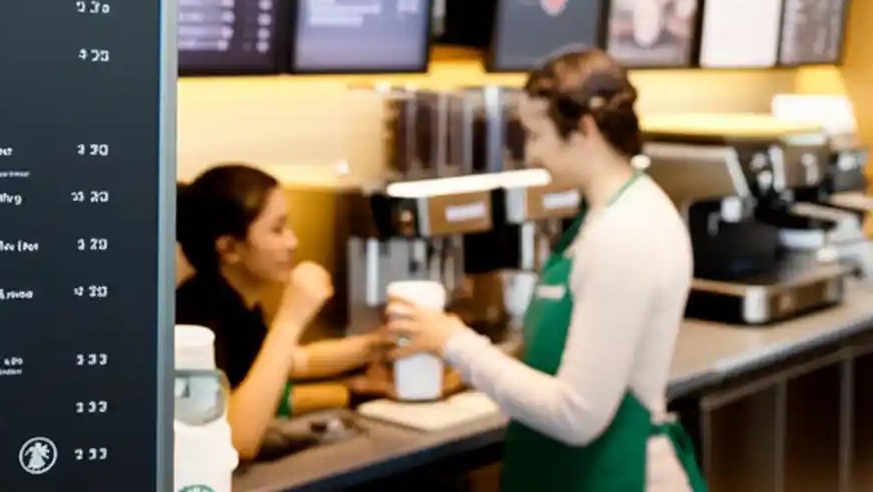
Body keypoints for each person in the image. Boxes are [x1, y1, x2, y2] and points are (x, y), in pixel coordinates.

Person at [385, 48, 707, 492]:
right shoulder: (604, 217)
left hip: (618, 476)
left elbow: (576, 415)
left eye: (536, 135)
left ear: (584, 131)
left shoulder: (625, 233)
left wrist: (456, 343)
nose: (531, 153)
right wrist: (483, 361)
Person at [176, 164, 386, 459]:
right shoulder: (195, 323)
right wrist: (292, 316)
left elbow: (294, 362)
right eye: (277, 229)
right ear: (229, 248)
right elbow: (236, 439)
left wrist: (377, 345)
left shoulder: (237, 305)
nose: (293, 242)